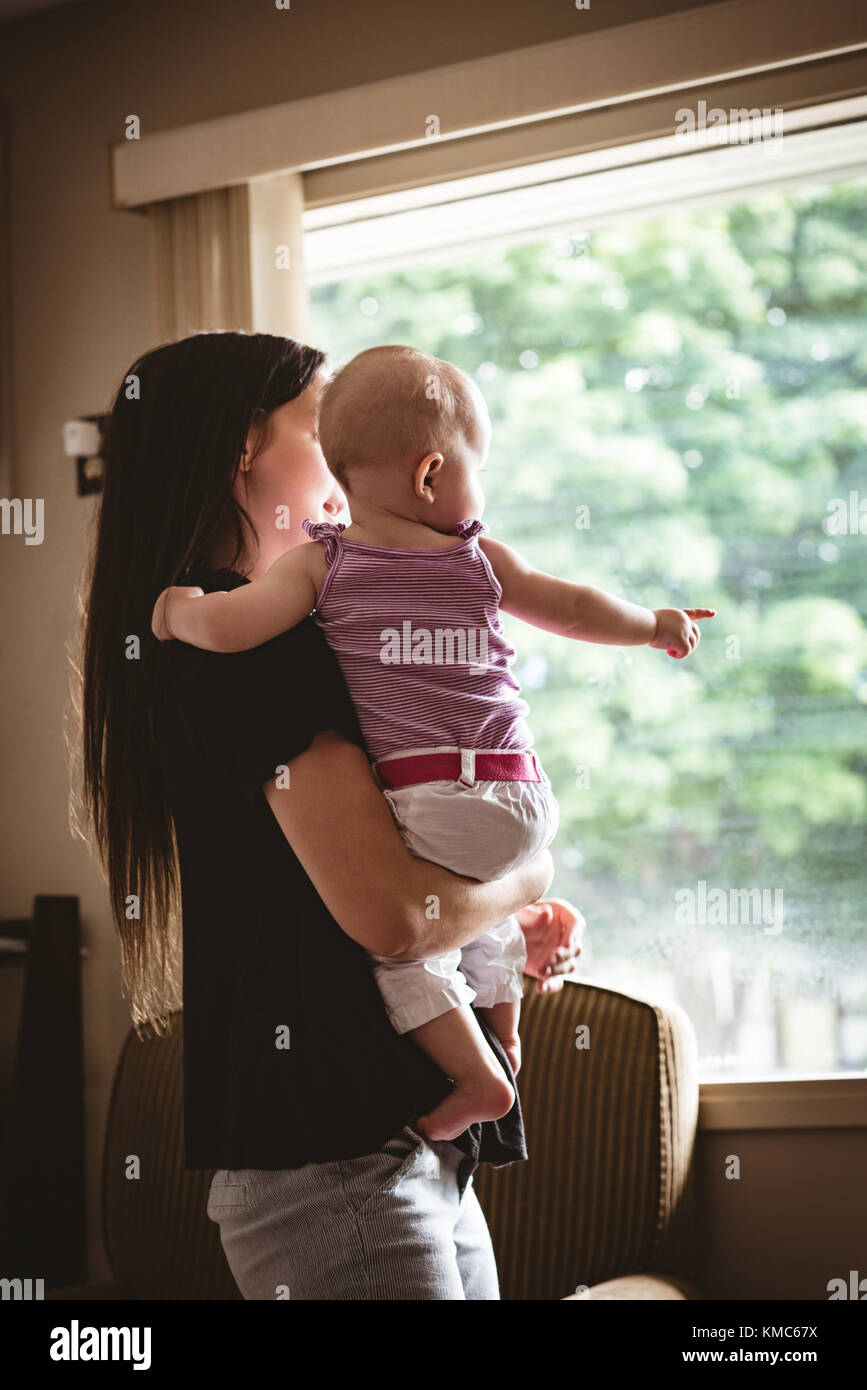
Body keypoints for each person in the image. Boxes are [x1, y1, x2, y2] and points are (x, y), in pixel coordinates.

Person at [74, 330, 585, 1301]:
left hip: (388, 1144)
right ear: (241, 453)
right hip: (338, 1159)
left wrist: (500, 925)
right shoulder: (251, 646)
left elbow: (361, 890)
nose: (353, 457)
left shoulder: (273, 634)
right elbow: (392, 918)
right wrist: (527, 875)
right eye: (319, 423)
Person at [150, 343, 714, 1146]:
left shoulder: (320, 574)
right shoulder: (473, 561)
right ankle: (500, 1033)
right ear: (429, 476)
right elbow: (580, 608)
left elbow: (232, 627)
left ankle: (481, 1073)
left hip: (432, 804)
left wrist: (176, 613)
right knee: (442, 924)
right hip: (521, 794)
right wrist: (658, 625)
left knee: (412, 967)